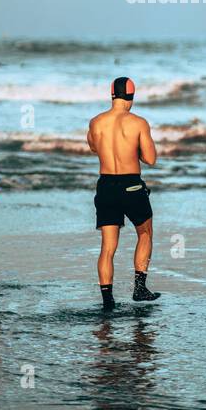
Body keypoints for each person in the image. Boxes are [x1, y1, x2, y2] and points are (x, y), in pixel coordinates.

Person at [87, 76, 159, 310]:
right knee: (145, 233)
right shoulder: (138, 122)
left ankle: (108, 301)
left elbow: (94, 147)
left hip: (106, 185)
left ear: (112, 96)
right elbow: (150, 159)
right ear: (131, 97)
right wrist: (133, 149)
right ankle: (140, 288)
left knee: (108, 247)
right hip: (131, 185)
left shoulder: (96, 122)